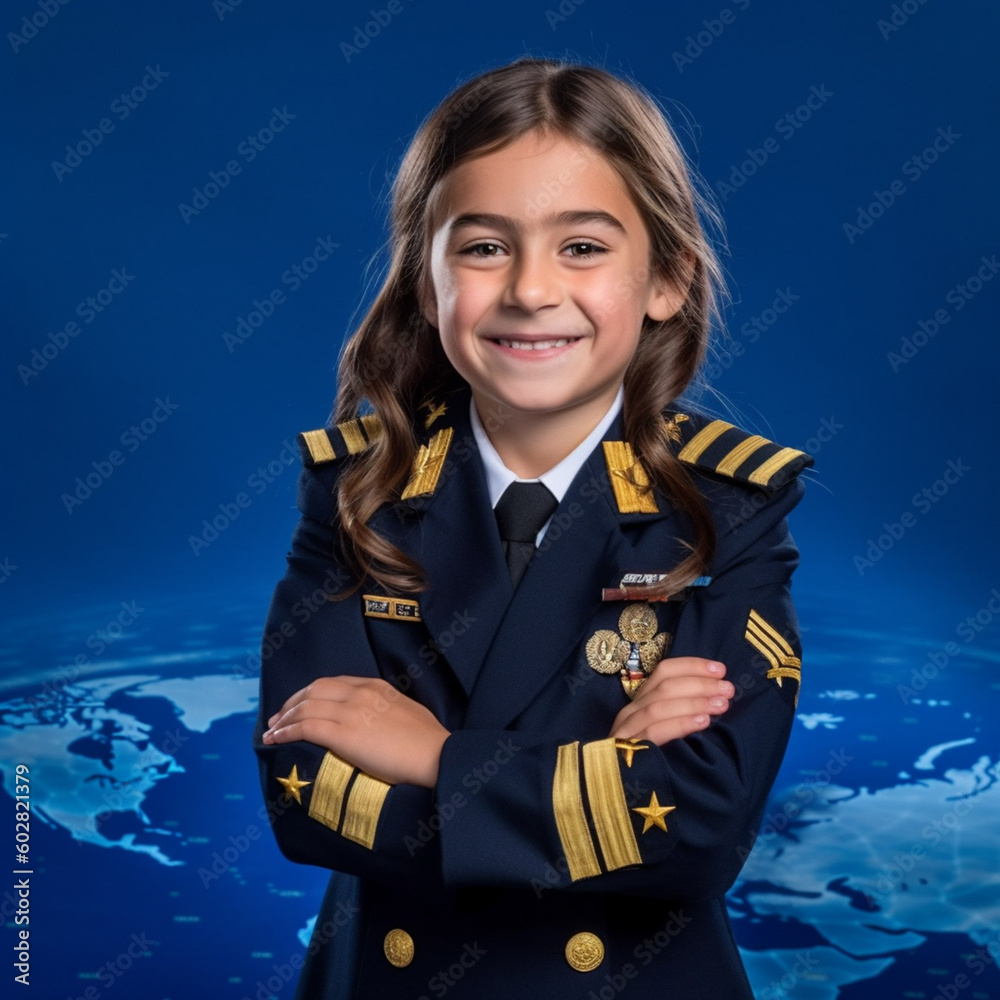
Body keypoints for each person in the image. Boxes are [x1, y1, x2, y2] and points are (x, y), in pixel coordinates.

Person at [253, 57, 812, 999]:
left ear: (666, 279)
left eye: (583, 248)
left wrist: (432, 754)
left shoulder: (730, 514)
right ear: (427, 287)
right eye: (483, 248)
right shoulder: (355, 494)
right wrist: (598, 768)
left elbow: (701, 829)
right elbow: (308, 800)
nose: (530, 291)